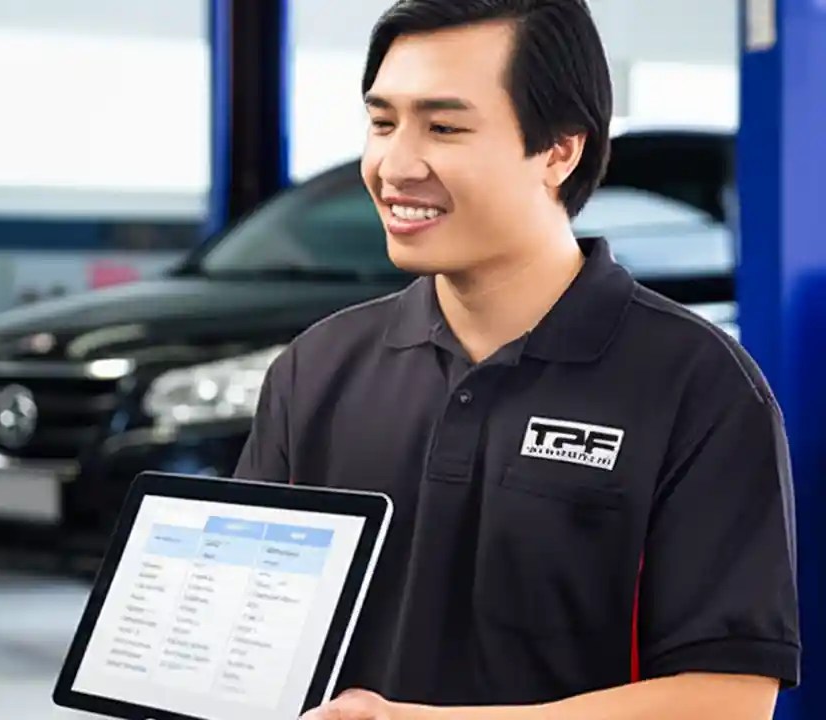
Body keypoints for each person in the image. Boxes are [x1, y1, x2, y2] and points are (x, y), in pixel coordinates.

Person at [231, 2, 800, 719]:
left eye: (444, 127)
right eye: (382, 123)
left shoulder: (699, 386)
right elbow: (250, 646)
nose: (394, 165)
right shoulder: (316, 369)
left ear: (560, 149)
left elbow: (728, 700)